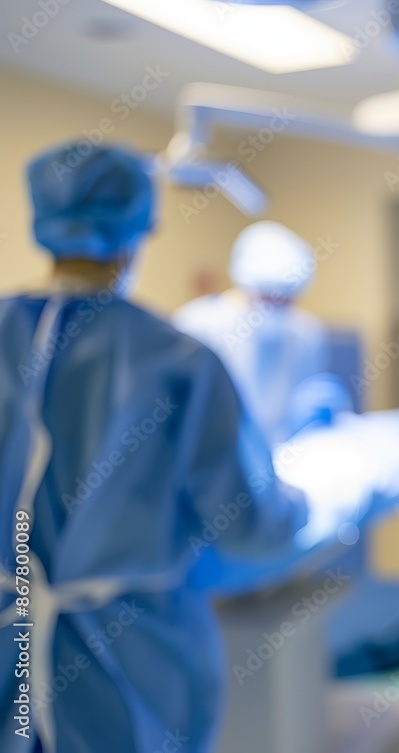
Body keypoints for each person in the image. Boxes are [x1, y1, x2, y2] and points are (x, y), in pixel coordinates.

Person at [0, 142, 307, 753]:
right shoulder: (177, 361)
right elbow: (249, 524)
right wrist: (302, 505)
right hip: (134, 659)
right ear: (136, 233)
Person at [174, 221, 355, 446]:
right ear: (246, 286)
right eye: (268, 298)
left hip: (284, 457)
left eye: (286, 300)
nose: (276, 308)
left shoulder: (306, 334)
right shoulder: (199, 324)